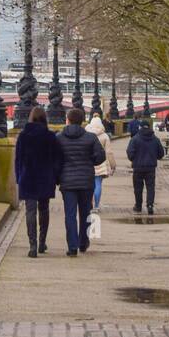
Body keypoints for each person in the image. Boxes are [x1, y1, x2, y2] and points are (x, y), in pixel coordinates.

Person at [56, 107, 105, 255]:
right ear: (82, 121)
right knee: (85, 213)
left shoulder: (59, 137)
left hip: (67, 181)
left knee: (70, 215)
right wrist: (89, 162)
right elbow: (100, 157)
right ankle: (83, 242)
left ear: (68, 120)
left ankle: (72, 247)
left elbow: (55, 159)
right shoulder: (90, 138)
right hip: (86, 181)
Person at [14, 105, 62, 257]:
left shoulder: (23, 136)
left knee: (30, 210)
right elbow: (57, 159)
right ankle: (42, 242)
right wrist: (56, 177)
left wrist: (18, 177)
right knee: (44, 209)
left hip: (28, 177)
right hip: (45, 177)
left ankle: (32, 245)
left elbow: (18, 160)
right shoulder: (50, 136)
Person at [126, 118, 166, 213]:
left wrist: (134, 159)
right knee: (150, 187)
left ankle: (138, 205)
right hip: (150, 167)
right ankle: (150, 205)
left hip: (138, 167)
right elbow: (161, 154)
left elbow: (130, 153)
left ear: (140, 127)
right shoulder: (155, 139)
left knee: (138, 188)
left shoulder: (135, 139)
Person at [86, 112, 116, 212]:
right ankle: (97, 205)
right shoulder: (104, 136)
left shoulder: (86, 134)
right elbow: (109, 152)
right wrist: (113, 165)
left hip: (88, 162)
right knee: (97, 183)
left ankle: (89, 204)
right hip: (100, 162)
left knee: (89, 185)